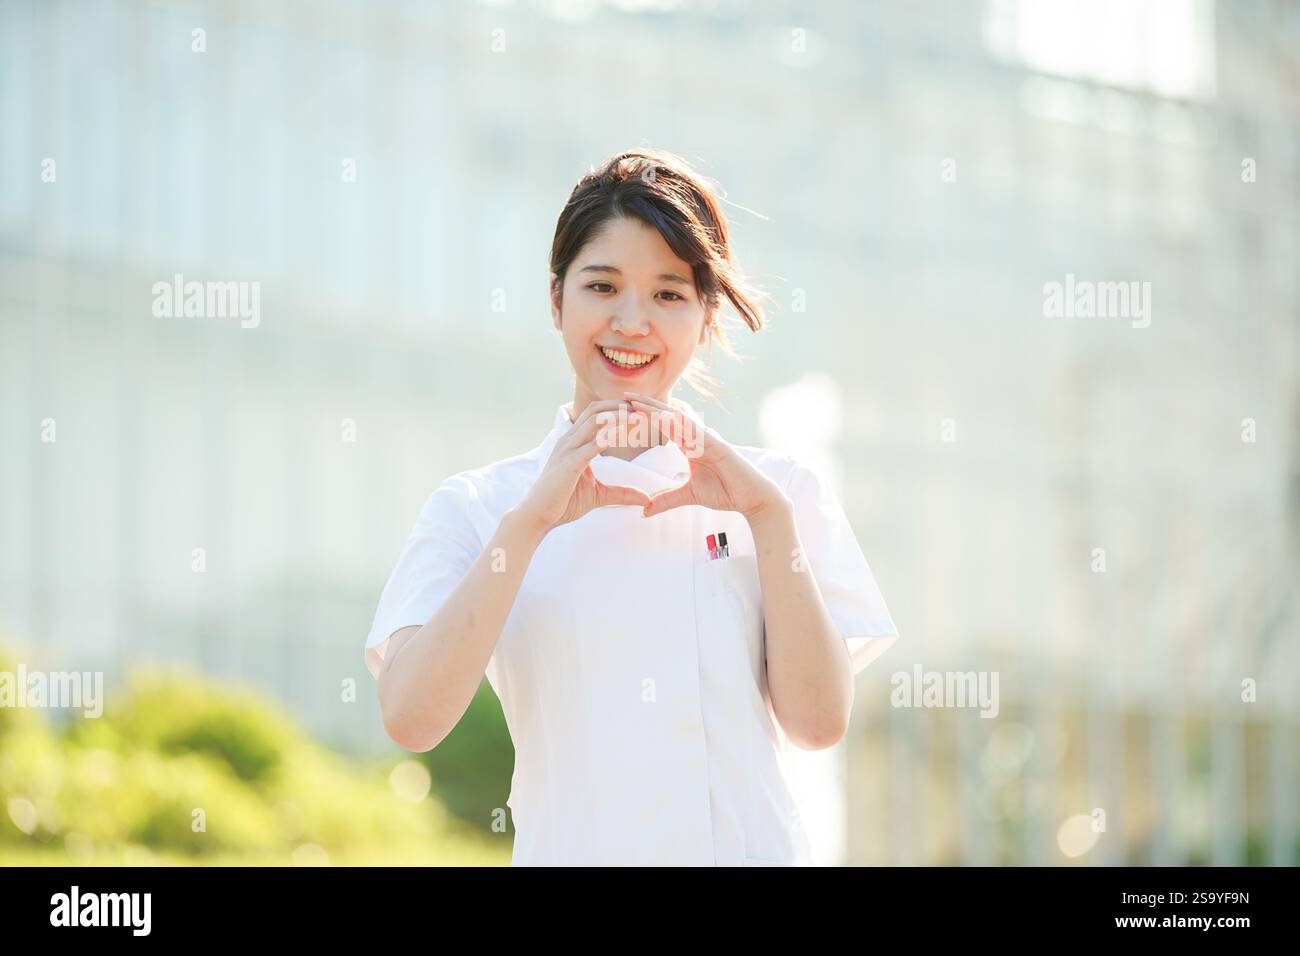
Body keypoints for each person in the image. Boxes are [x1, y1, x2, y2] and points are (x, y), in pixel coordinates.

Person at [363, 148, 899, 865]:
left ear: (707, 319)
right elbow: (411, 717)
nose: (631, 322)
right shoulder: (480, 505)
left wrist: (767, 522)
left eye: (669, 295)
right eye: (602, 286)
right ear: (556, 300)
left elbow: (817, 723)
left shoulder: (779, 493)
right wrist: (527, 527)